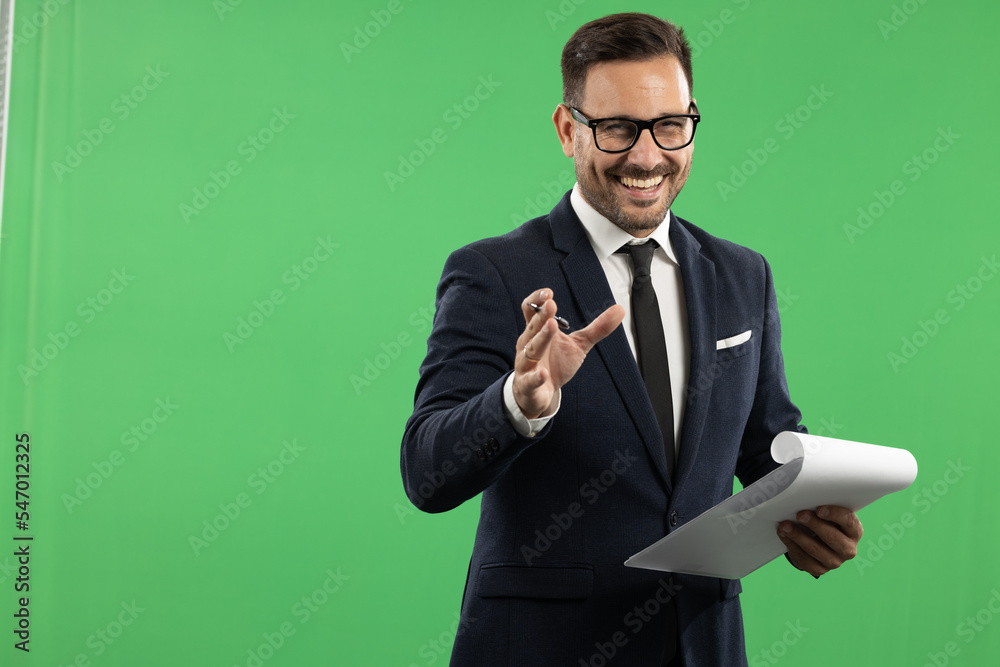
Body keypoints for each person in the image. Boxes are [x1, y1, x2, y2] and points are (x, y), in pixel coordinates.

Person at [400, 12, 862, 666]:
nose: (647, 156)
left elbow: (766, 449)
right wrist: (518, 404)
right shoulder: (494, 272)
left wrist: (810, 518)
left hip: (701, 645)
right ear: (568, 129)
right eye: (617, 128)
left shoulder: (741, 276)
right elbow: (427, 473)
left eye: (669, 125)